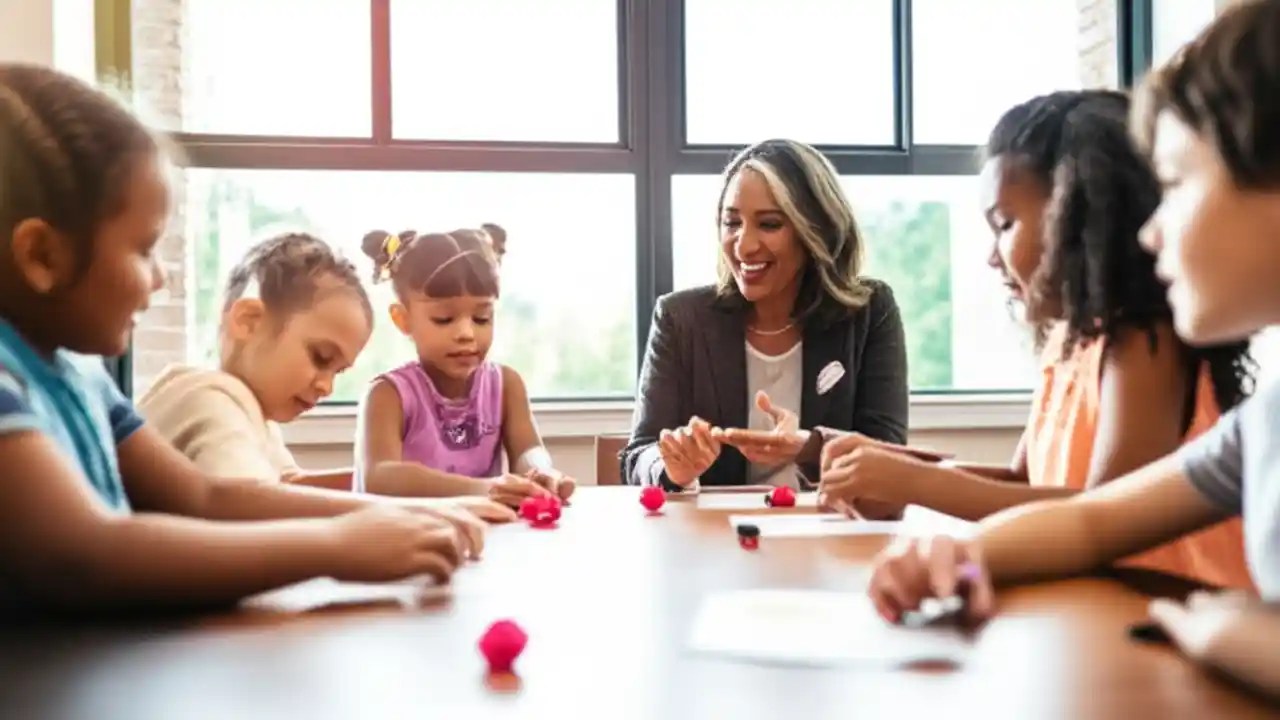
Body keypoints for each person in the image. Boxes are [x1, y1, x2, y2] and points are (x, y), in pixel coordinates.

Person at [864, 0, 1280, 701]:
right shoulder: (1263, 426)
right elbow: (1093, 519)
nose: (1151, 232)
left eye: (1175, 185)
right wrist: (958, 554)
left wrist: (1243, 637)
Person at [0, 63, 486, 612]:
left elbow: (204, 495)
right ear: (42, 255)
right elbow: (84, 554)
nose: (159, 277)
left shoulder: (84, 378)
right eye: (143, 249)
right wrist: (333, 546)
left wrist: (387, 516)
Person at [818, 90, 1253, 589]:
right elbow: (1025, 482)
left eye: (1004, 224)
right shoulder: (1069, 339)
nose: (991, 256)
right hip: (1091, 604)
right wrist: (891, 468)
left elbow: (1107, 514)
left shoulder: (1142, 339)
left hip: (1168, 600)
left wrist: (916, 483)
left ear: (1078, 216)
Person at [137, 232, 515, 521]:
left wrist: (429, 485)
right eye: (321, 358)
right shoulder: (209, 398)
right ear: (248, 321)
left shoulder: (253, 417)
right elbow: (248, 504)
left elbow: (289, 487)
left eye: (338, 371)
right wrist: (415, 514)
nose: (327, 386)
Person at [622, 138, 908, 501]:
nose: (744, 246)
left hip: (829, 537)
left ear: (814, 229)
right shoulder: (681, 319)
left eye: (769, 224)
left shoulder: (869, 312)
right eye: (732, 223)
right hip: (717, 542)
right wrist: (673, 468)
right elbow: (638, 454)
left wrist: (807, 447)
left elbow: (891, 458)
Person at [356, 227, 575, 508]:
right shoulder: (388, 395)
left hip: (489, 540)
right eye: (444, 319)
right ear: (403, 319)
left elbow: (528, 450)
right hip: (410, 544)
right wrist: (483, 488)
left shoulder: (506, 384)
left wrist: (541, 472)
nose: (466, 333)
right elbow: (380, 477)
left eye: (482, 318)